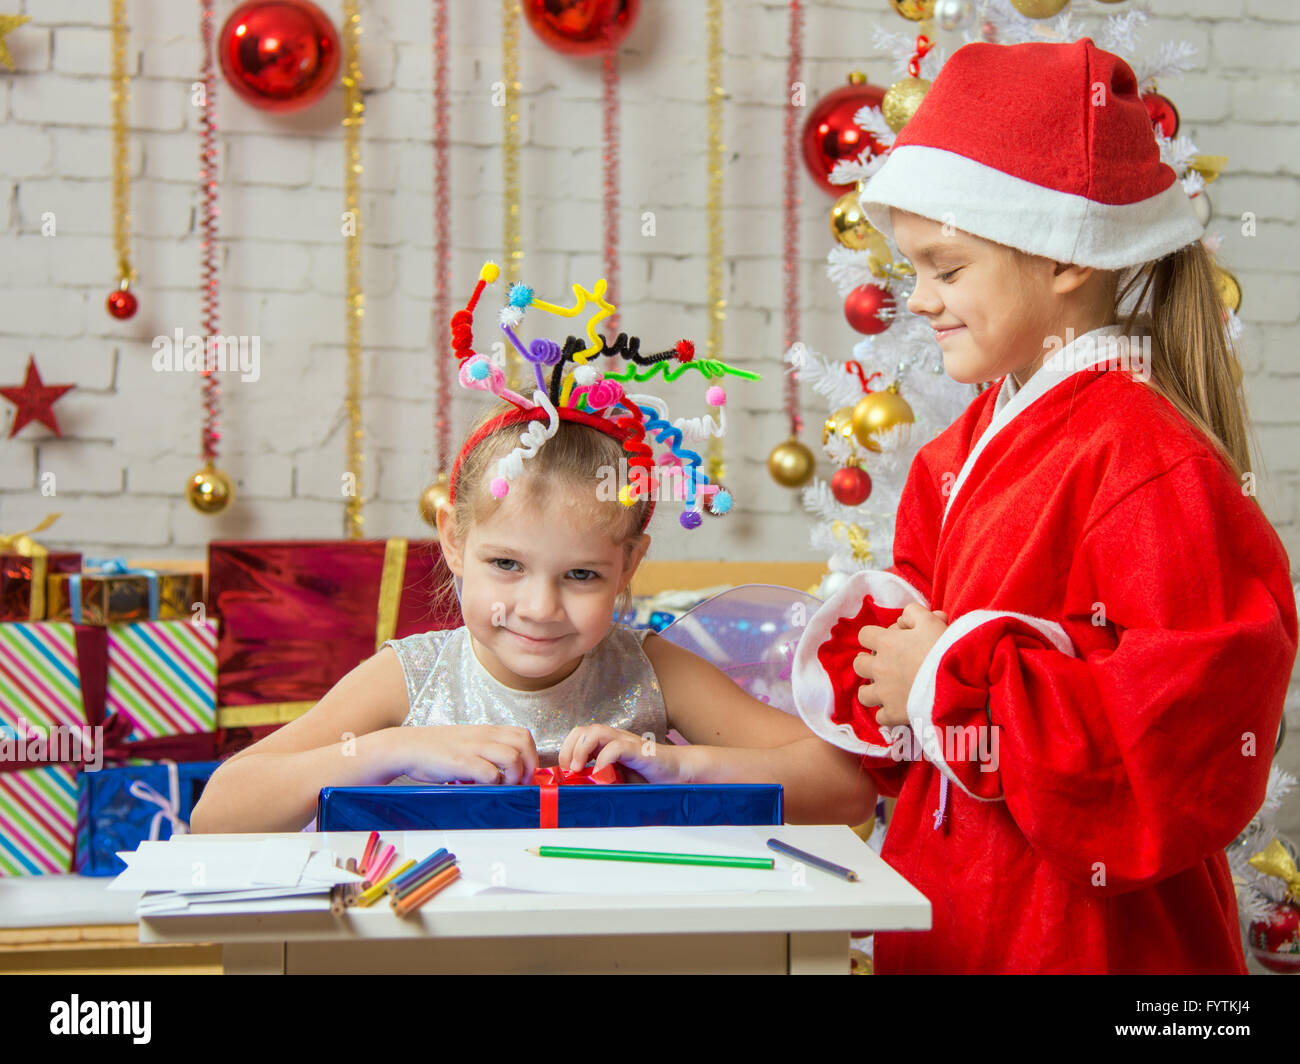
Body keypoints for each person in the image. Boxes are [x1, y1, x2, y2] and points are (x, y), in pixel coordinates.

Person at [790, 38, 1297, 974]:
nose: (924, 305)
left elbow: (1185, 732)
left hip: (1086, 946)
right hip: (957, 916)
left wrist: (949, 678)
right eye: (912, 275)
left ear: (1063, 257)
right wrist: (898, 669)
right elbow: (919, 671)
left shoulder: (1146, 460)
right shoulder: (960, 453)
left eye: (947, 269)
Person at [192, 266, 875, 835]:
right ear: (455, 542)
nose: (540, 607)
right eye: (507, 565)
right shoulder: (412, 679)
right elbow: (219, 813)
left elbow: (845, 791)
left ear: (628, 567)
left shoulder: (648, 670)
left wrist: (680, 762)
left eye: (581, 574)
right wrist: (394, 747)